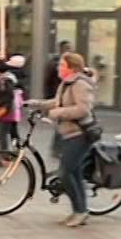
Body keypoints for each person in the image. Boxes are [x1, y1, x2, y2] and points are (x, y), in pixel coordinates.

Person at [27, 52, 95, 227]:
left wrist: (57, 113)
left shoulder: (80, 84)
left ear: (71, 68)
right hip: (68, 133)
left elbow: (83, 109)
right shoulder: (66, 84)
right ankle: (81, 211)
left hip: (79, 134)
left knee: (65, 173)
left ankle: (79, 211)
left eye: (61, 65)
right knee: (75, 173)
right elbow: (58, 102)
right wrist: (37, 104)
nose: (58, 68)